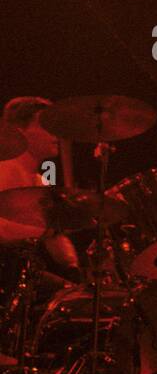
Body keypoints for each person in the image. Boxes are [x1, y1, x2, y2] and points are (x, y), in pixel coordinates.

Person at [0, 96, 79, 274]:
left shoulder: (41, 182)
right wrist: (46, 233)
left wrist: (73, 267)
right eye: (47, 126)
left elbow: (55, 237)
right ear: (19, 130)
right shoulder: (4, 169)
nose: (56, 135)